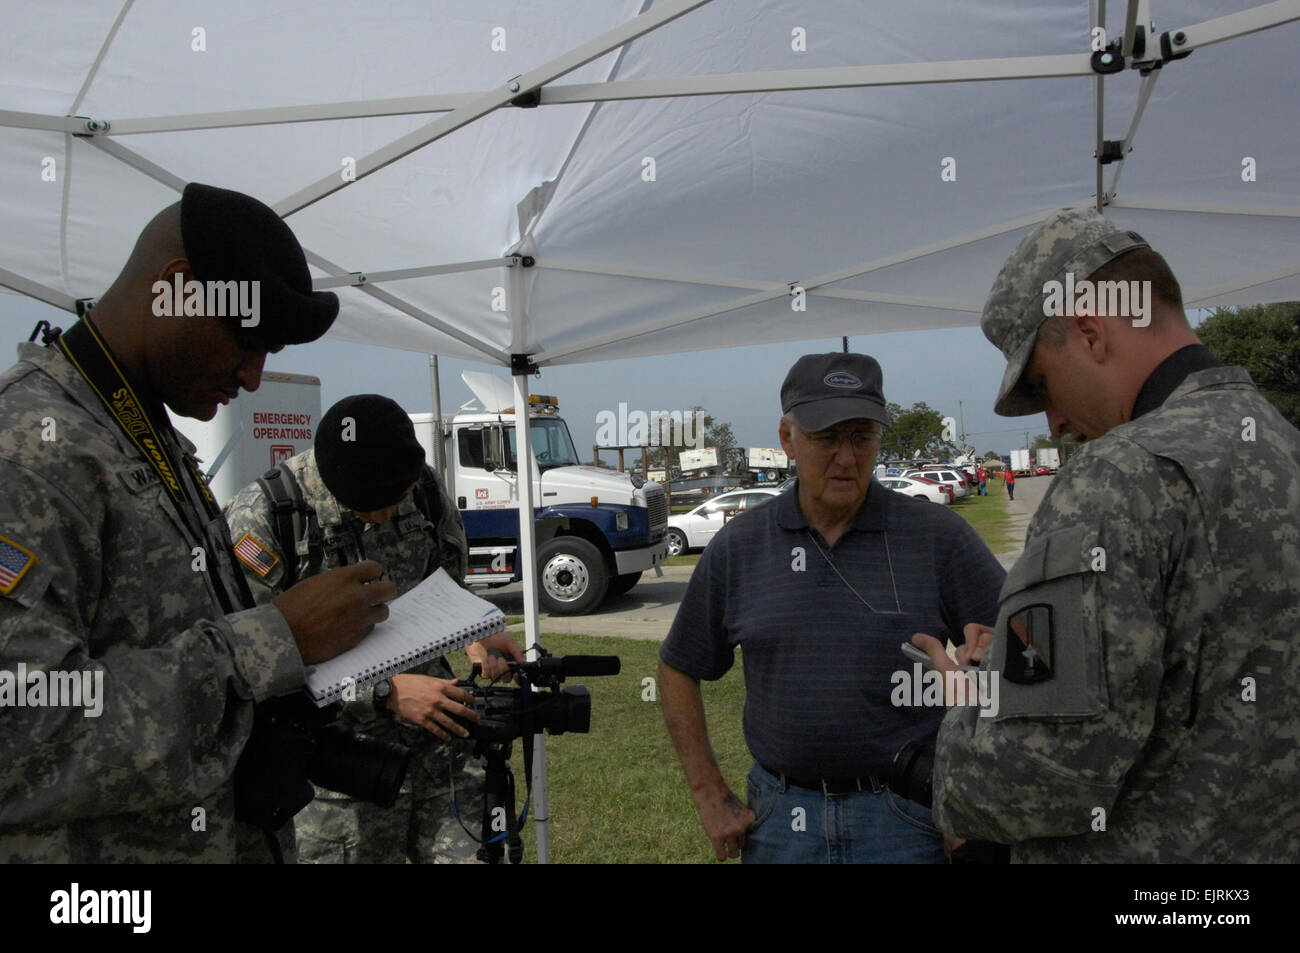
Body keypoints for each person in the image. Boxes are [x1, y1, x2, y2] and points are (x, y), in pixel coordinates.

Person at [0, 183, 396, 862]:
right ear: (179, 289)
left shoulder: (140, 437)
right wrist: (274, 640)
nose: (251, 376)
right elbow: (21, 733)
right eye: (247, 341)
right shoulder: (32, 451)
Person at [915, 207, 1300, 862]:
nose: (1056, 420)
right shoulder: (1284, 446)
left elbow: (1026, 779)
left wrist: (971, 704)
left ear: (1092, 333)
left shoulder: (1115, 479)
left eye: (1041, 384)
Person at [659, 353, 1006, 863]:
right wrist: (709, 795)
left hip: (911, 818)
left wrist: (993, 660)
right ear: (787, 438)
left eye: (862, 437)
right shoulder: (740, 546)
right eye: (827, 437)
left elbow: (1025, 653)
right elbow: (677, 667)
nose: (847, 457)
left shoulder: (938, 536)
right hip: (782, 822)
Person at [224, 394, 524, 863]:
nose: (385, 517)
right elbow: (252, 668)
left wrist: (476, 635)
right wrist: (384, 692)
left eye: (395, 501)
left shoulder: (420, 488)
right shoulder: (265, 521)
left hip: (439, 757)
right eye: (369, 508)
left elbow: (445, 585)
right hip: (340, 781)